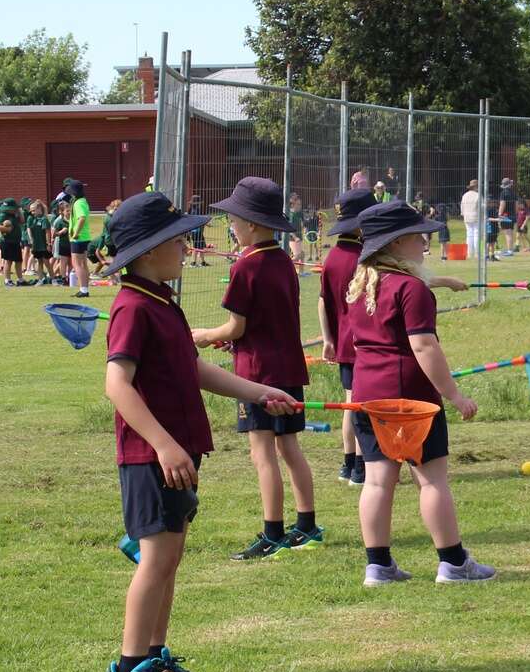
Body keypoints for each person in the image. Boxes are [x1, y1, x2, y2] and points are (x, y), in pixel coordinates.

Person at [96, 192, 298, 672]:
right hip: (153, 456)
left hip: (181, 452)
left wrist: (259, 392)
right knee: (155, 560)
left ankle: (154, 659)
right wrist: (163, 446)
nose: (188, 247)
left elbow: (193, 368)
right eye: (178, 239)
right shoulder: (132, 307)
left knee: (170, 557)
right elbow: (117, 386)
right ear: (147, 252)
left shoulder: (163, 301)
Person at [344, 201, 494, 586]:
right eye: (418, 237)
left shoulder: (361, 287)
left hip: (366, 395)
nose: (425, 242)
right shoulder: (412, 289)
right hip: (410, 400)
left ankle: (377, 565)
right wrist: (455, 395)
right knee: (431, 479)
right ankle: (454, 563)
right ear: (397, 244)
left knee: (377, 480)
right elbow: (424, 347)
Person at [188, 177, 318, 561]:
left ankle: (272, 533)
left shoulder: (245, 267)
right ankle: (307, 525)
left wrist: (206, 334)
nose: (230, 225)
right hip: (288, 367)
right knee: (290, 447)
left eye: (235, 219)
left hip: (257, 374)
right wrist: (232, 337)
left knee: (262, 453)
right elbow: (265, 321)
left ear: (255, 224)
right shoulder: (283, 261)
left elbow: (237, 326)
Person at [319, 188, 375, 487]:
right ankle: (363, 466)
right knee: (363, 405)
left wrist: (328, 339)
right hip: (364, 343)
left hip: (341, 341)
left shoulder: (331, 258)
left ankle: (348, 463)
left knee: (349, 402)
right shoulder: (365, 258)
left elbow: (322, 301)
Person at [65, 178, 94, 296]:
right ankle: (84, 289)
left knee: (77, 264)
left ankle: (83, 289)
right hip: (84, 237)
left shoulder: (78, 203)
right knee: (83, 264)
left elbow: (82, 218)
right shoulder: (82, 201)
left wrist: (76, 232)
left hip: (78, 238)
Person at [25, 199, 52, 286]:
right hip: (36, 245)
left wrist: (48, 244)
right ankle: (40, 279)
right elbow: (29, 229)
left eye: (33, 210)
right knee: (39, 262)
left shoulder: (44, 219)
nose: (32, 212)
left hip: (43, 245)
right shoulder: (33, 219)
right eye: (31, 210)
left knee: (46, 262)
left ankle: (53, 279)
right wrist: (31, 240)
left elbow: (48, 232)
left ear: (39, 209)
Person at [460, 179, 481, 256]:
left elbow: (462, 206)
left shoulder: (465, 195)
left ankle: (469, 253)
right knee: (476, 234)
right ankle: (477, 253)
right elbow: (481, 208)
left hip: (467, 216)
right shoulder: (478, 195)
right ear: (476, 187)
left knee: (469, 234)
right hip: (476, 216)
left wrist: (463, 214)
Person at [496, 177, 517, 255]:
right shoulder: (514, 193)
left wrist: (499, 214)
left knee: (507, 233)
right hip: (512, 215)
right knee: (510, 232)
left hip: (505, 215)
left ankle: (509, 251)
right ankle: (510, 249)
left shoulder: (503, 193)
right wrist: (515, 214)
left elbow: (502, 204)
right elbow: (516, 205)